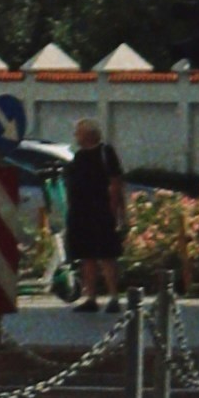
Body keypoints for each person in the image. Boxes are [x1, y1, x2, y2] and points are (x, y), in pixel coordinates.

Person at [65, 119, 129, 300]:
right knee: (86, 257)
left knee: (107, 256)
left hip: (102, 213)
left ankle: (114, 296)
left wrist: (116, 212)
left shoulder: (105, 152)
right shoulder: (78, 156)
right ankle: (90, 297)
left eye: (78, 132)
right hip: (81, 214)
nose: (76, 136)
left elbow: (116, 183)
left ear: (89, 134)